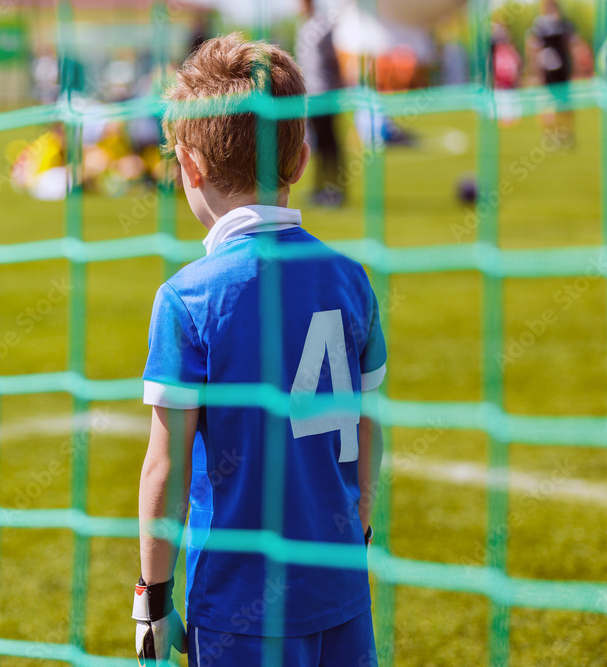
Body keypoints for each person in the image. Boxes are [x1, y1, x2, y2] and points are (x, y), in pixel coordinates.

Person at [133, 33, 386, 666]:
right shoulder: (350, 278)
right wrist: (358, 525)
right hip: (341, 583)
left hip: (240, 605)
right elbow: (369, 422)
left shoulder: (187, 298)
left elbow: (163, 466)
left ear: (189, 166)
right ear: (300, 160)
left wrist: (153, 598)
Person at [296, 0, 345, 207]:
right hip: (312, 95)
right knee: (317, 144)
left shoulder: (322, 26)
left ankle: (335, 190)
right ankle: (320, 189)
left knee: (329, 143)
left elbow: (334, 58)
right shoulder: (305, 27)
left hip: (325, 92)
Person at [527, 0, 579, 145]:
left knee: (565, 104)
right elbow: (533, 47)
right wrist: (536, 71)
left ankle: (566, 133)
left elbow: (572, 45)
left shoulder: (563, 24)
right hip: (547, 72)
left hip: (562, 70)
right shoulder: (540, 26)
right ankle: (548, 135)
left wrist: (575, 68)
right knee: (547, 103)